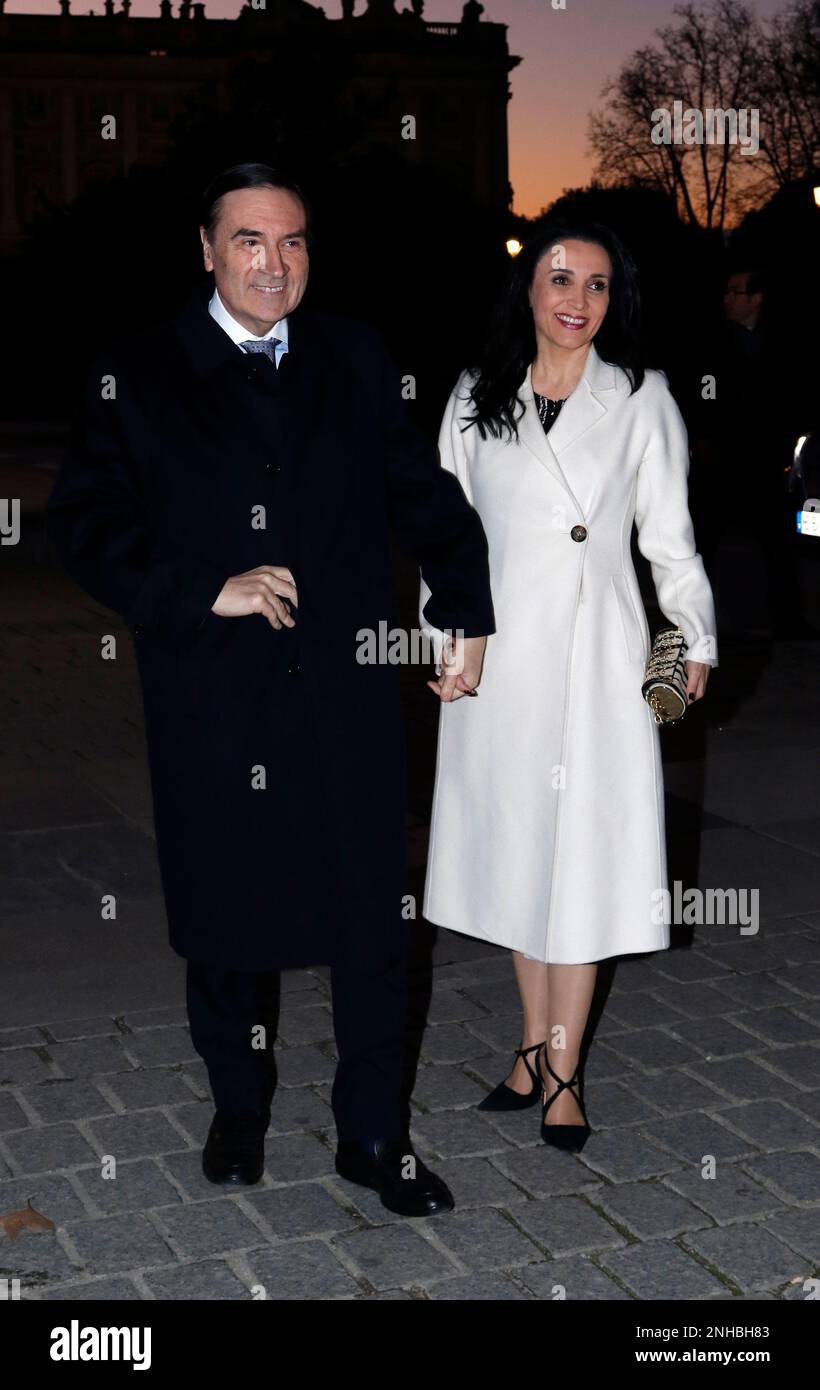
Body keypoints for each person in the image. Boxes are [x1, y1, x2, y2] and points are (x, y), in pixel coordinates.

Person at [46, 163, 495, 1216]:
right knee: (225, 913)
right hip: (212, 691)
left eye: (292, 241)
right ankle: (238, 1105)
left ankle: (373, 1133)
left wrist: (464, 606)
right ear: (206, 249)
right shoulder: (141, 371)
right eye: (249, 240)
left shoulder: (352, 353)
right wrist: (202, 587)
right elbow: (85, 524)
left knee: (371, 922)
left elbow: (421, 494)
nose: (273, 262)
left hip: (345, 693)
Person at [420, 220, 717, 1151]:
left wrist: (693, 636)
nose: (576, 300)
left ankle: (563, 1069)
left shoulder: (641, 398)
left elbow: (670, 540)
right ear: (530, 291)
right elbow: (447, 536)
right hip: (498, 658)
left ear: (612, 299)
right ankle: (529, 1045)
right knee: (518, 855)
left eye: (596, 284)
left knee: (580, 865)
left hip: (598, 661)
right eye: (560, 278)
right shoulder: (477, 396)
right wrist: (445, 636)